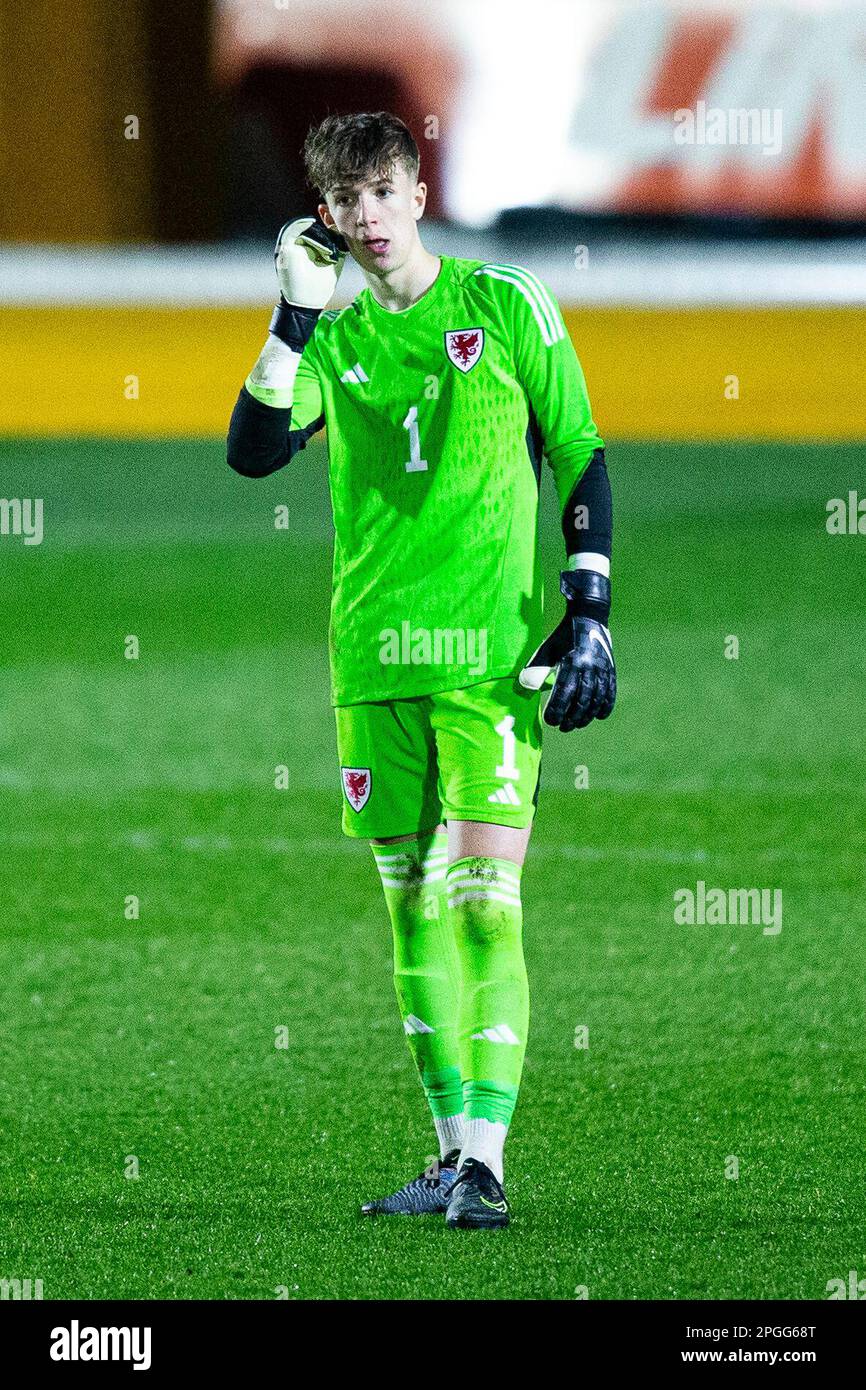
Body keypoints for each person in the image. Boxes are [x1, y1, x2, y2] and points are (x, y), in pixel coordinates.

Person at [227, 111, 615, 1229]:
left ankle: (486, 1161)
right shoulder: (332, 342)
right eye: (342, 203)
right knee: (409, 909)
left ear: (414, 189)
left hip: (490, 661)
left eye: (381, 194)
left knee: (487, 904)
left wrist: (587, 605)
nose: (365, 219)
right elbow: (251, 453)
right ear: (325, 217)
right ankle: (451, 1158)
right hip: (372, 660)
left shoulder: (502, 305)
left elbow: (580, 447)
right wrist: (290, 321)